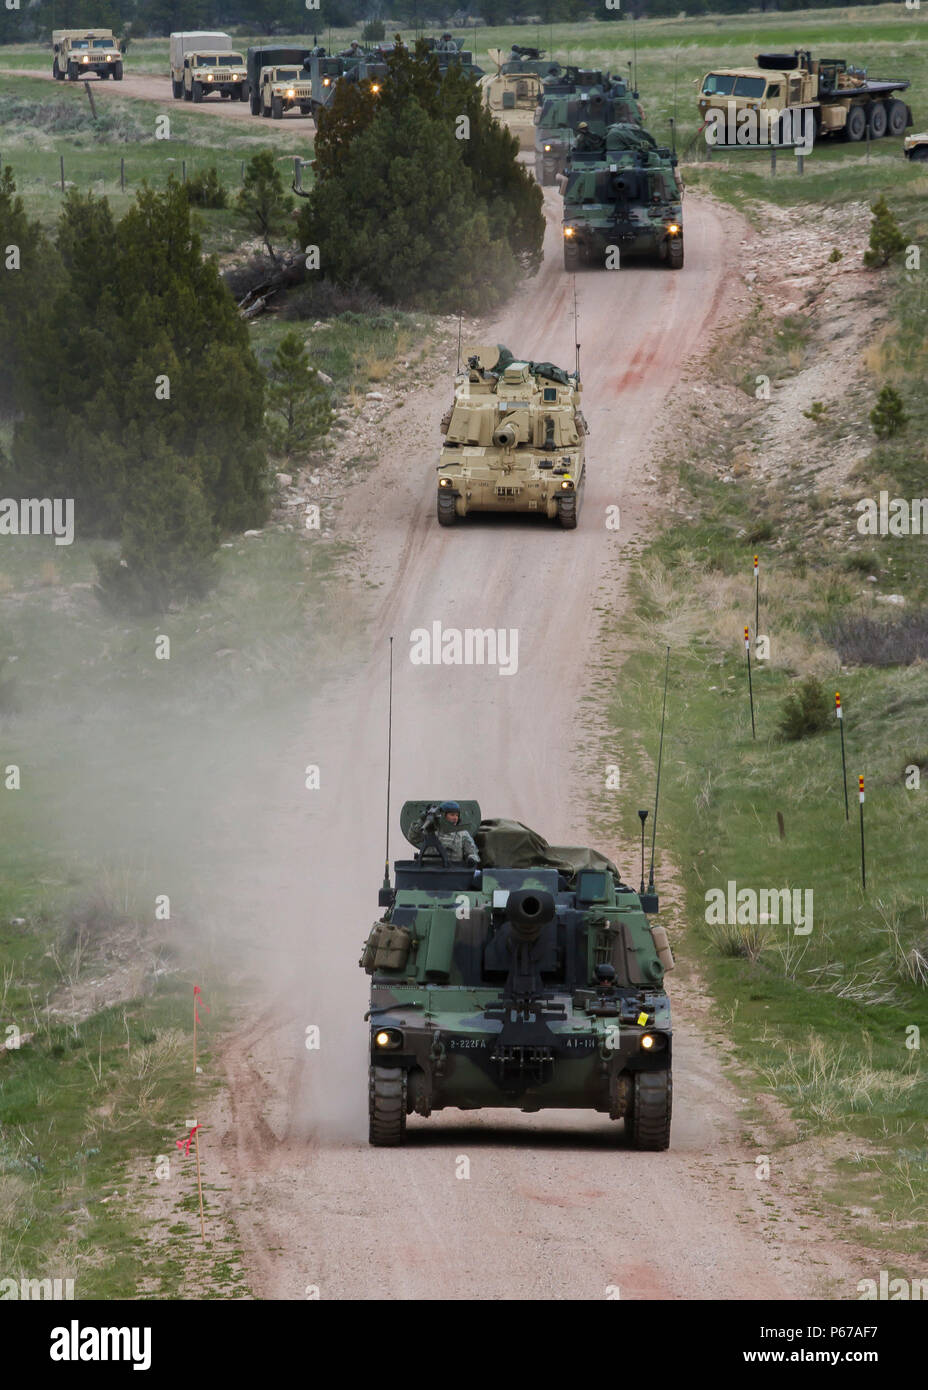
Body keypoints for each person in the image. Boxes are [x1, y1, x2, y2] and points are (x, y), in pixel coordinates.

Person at [409, 802, 479, 866]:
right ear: (443, 815)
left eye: (457, 815)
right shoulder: (430, 829)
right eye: (452, 815)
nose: (455, 818)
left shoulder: (462, 833)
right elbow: (413, 838)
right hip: (429, 869)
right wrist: (421, 820)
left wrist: (471, 859)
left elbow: (472, 852)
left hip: (453, 871)